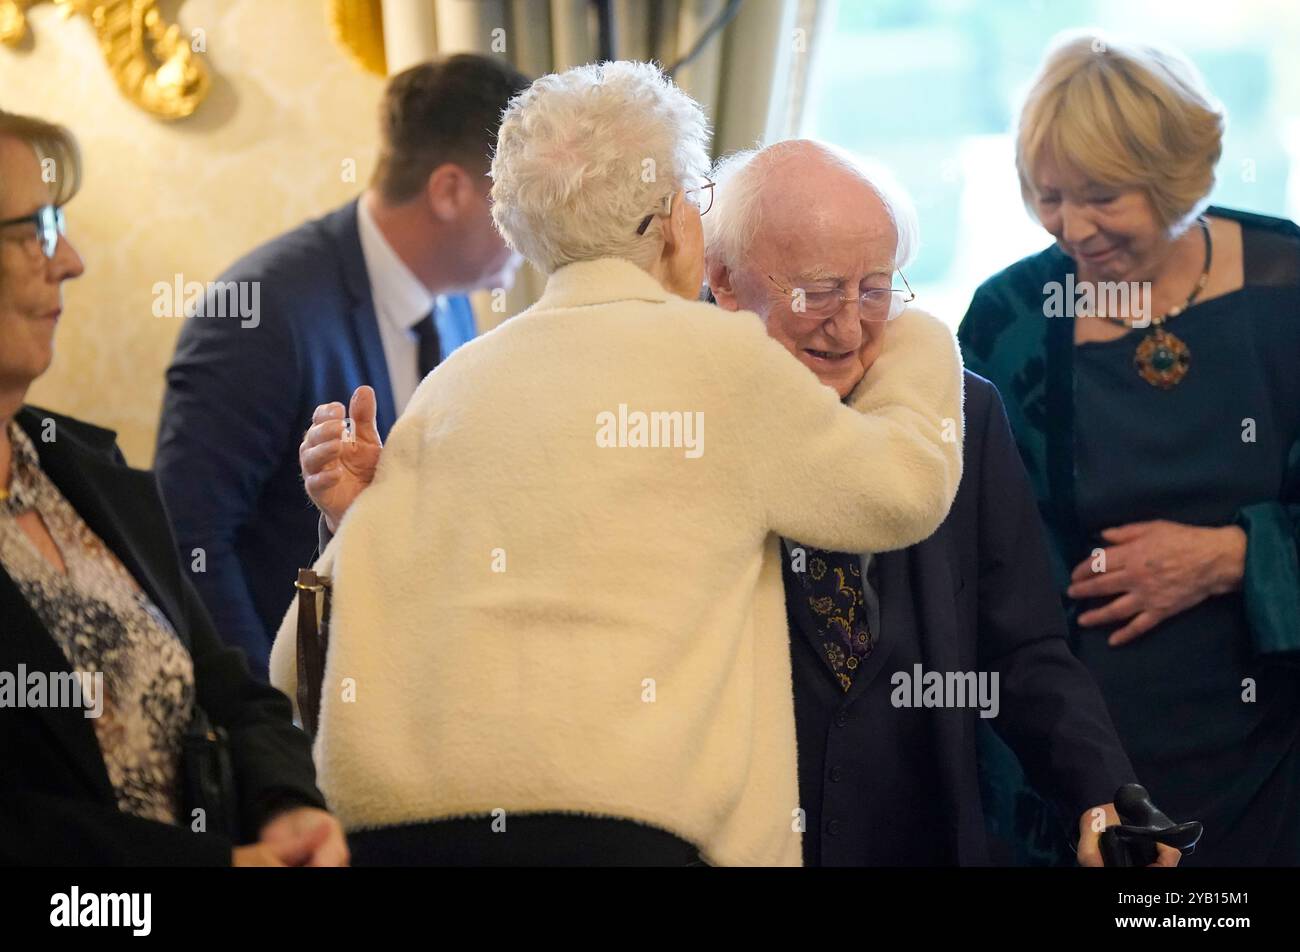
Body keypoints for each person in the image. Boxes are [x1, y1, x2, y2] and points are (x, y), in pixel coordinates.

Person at [275, 61, 963, 866]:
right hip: (619, 832)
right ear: (673, 220)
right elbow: (901, 489)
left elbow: (299, 656)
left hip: (406, 836)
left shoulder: (457, 379)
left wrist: (351, 519)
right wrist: (918, 336)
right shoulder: (717, 361)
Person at [702, 138, 1174, 866]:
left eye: (875, 288)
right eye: (820, 290)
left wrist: (1102, 792)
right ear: (724, 280)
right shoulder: (676, 417)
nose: (851, 325)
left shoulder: (958, 415)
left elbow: (1022, 651)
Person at [958, 32, 1300, 866]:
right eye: (1049, 197)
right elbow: (985, 576)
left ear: (1176, 177)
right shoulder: (1006, 321)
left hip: (1276, 754)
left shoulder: (1287, 283)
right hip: (1084, 773)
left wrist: (1236, 556)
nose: (1073, 229)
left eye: (1103, 196)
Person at [0, 109, 346, 866]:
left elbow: (229, 688)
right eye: (39, 228)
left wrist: (288, 805)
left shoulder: (84, 468)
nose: (72, 261)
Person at [155, 54, 530, 680]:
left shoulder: (455, 300)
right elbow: (187, 537)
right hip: (303, 705)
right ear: (448, 191)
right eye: (515, 198)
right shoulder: (259, 313)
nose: (529, 224)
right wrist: (268, 722)